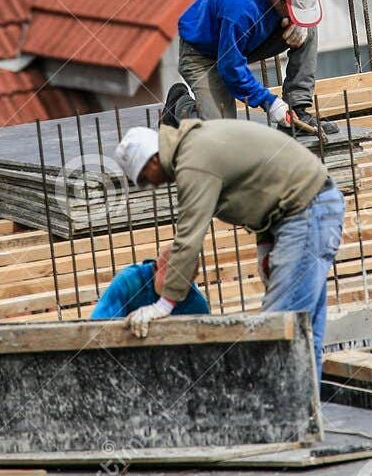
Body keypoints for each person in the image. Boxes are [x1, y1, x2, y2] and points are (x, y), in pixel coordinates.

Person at [112, 118, 344, 371]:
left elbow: (189, 238)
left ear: (153, 159)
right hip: (312, 209)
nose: (153, 185)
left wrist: (164, 304)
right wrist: (265, 247)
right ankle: (306, 409)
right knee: (304, 333)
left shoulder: (193, 161)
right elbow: (263, 189)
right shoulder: (196, 145)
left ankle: (273, 409)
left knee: (277, 334)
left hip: (307, 214)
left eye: (146, 178)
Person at [174, 0, 330, 132]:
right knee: (220, 131)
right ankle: (181, 106)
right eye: (292, 9)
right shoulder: (241, 11)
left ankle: (297, 109)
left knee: (307, 29)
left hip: (243, 39)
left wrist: (297, 21)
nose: (296, 13)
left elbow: (300, 6)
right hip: (202, 53)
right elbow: (230, 67)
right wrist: (269, 103)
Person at [89, 248, 210, 320]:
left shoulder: (196, 304)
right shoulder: (129, 283)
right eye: (171, 279)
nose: (175, 288)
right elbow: (98, 329)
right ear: (157, 267)